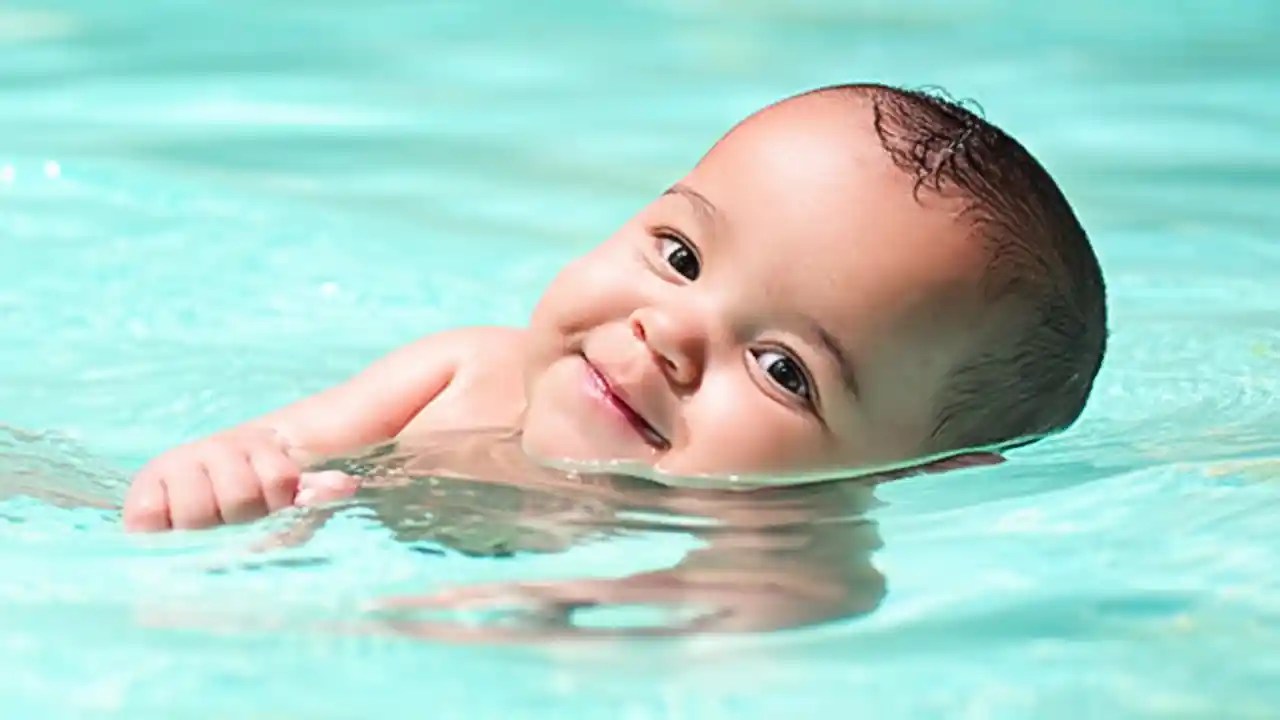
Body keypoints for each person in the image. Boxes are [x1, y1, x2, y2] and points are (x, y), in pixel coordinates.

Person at [123, 82, 1107, 534]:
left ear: (925, 473)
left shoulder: (778, 557)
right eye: (679, 255)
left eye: (782, 370)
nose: (668, 333)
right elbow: (264, 449)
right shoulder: (464, 370)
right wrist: (214, 479)